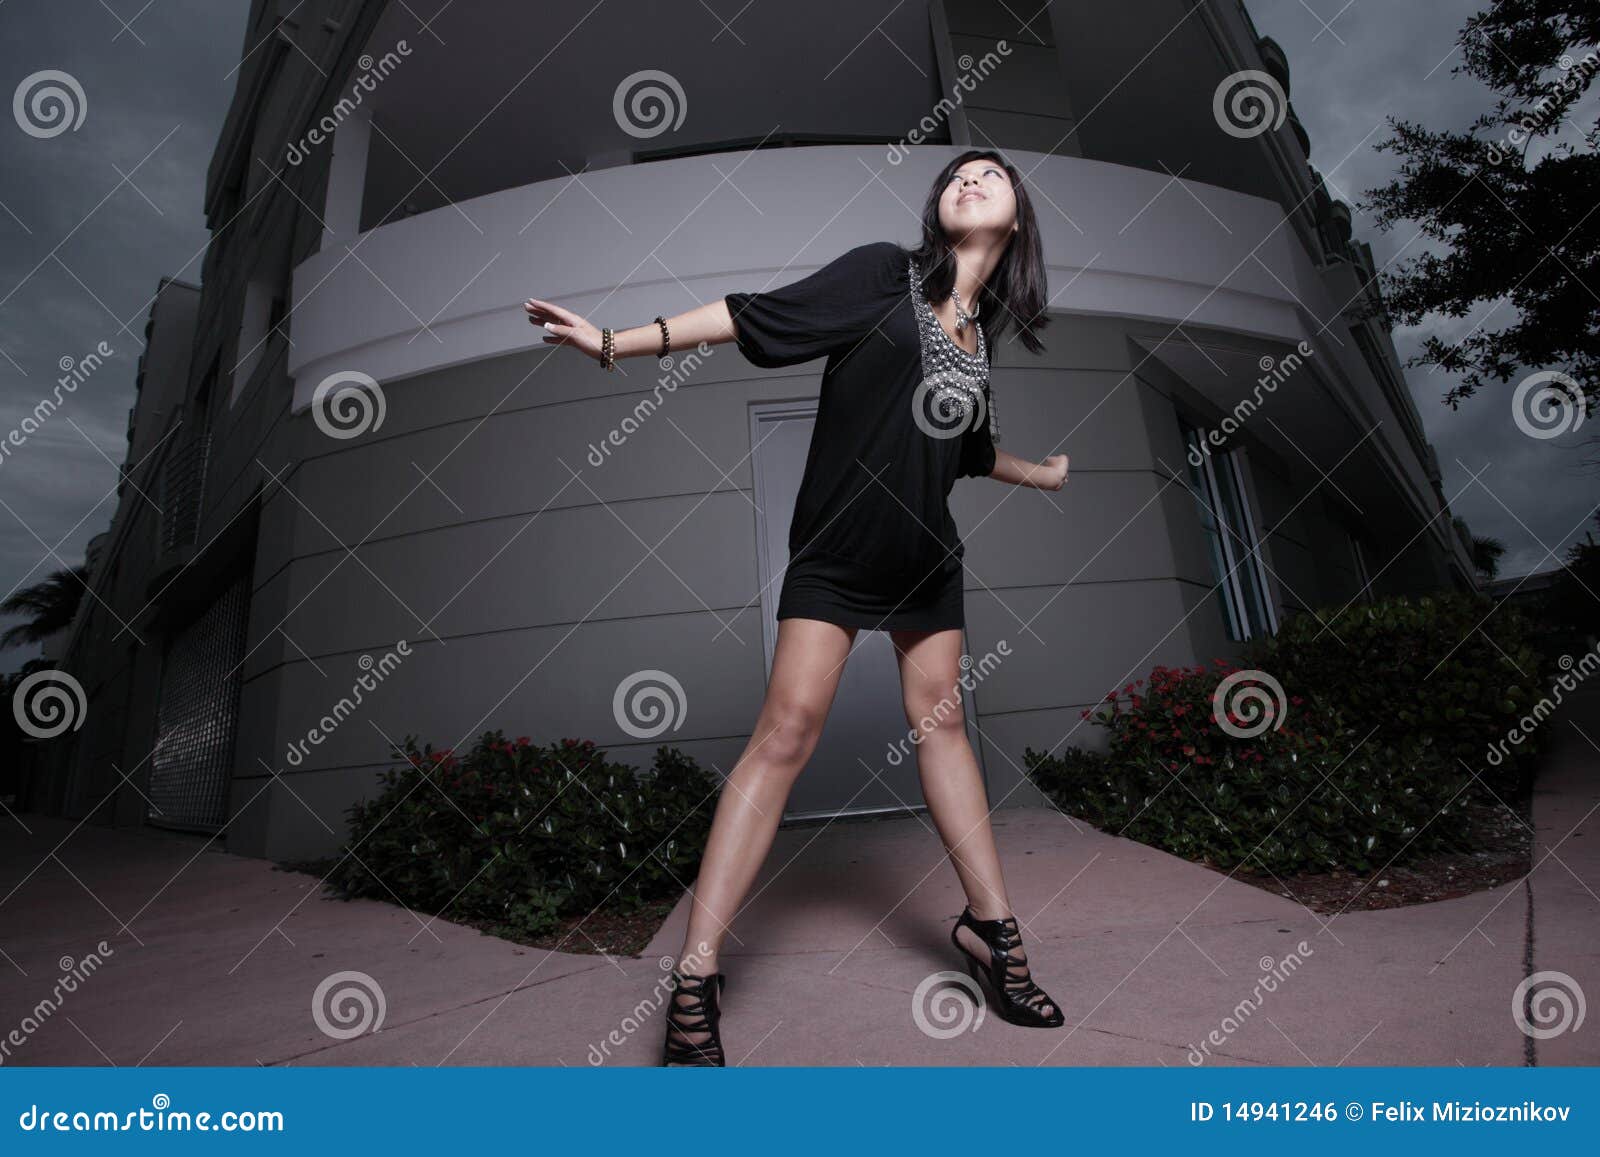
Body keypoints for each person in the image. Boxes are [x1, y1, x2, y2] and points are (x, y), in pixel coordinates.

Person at [523, 149, 1070, 1066]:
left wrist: (1039, 473)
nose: (968, 180)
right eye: (955, 175)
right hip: (839, 550)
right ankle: (696, 975)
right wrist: (615, 342)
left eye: (991, 175)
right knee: (785, 733)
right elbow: (752, 318)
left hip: (926, 561)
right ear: (938, 207)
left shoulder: (980, 339)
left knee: (941, 728)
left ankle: (993, 931)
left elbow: (969, 453)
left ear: (1017, 220)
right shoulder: (880, 275)